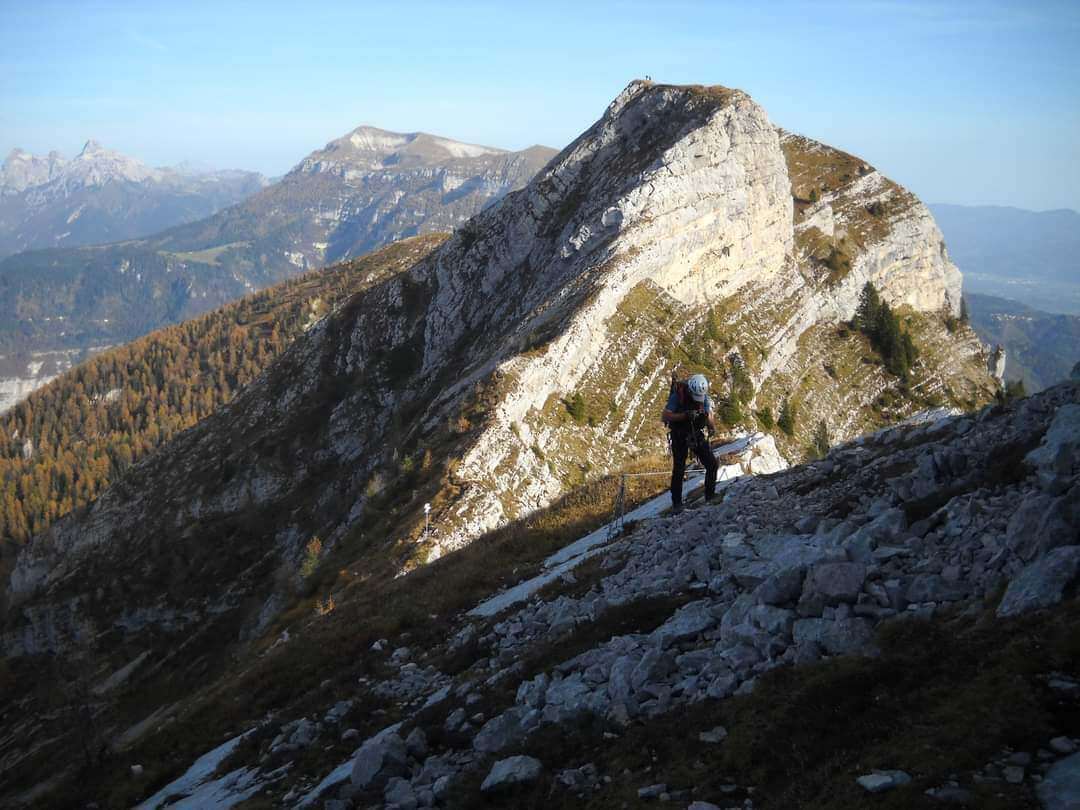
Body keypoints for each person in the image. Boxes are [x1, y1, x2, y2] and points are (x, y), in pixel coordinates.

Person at [662, 373, 719, 514]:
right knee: (679, 469)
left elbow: (708, 413)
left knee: (712, 463)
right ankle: (677, 504)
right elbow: (665, 415)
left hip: (695, 432)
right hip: (679, 434)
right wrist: (684, 415)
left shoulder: (703, 395)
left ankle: (710, 496)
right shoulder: (678, 396)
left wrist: (712, 427)